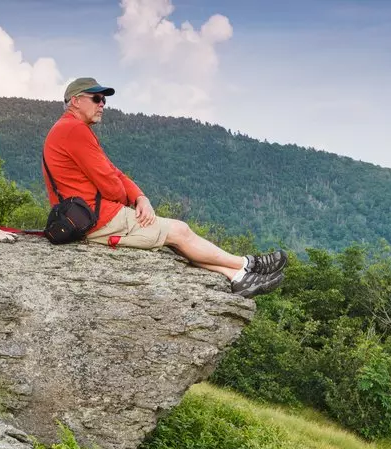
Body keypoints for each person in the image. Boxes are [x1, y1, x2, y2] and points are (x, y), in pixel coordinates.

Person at [42, 77, 286, 298]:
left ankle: (237, 277)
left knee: (176, 241)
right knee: (180, 231)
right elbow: (110, 184)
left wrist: (141, 198)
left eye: (103, 99)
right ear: (75, 101)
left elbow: (114, 172)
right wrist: (125, 200)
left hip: (87, 217)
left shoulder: (67, 129)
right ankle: (246, 264)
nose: (102, 104)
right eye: (96, 98)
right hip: (99, 219)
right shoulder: (74, 130)